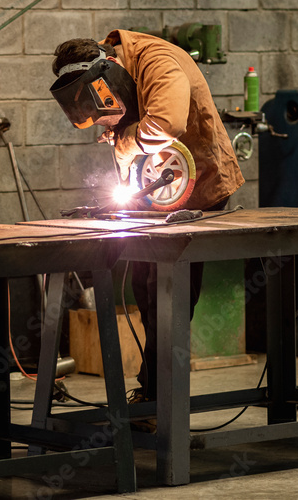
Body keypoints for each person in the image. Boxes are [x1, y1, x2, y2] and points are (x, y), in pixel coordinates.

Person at [50, 29, 245, 404]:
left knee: (169, 298)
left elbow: (168, 123)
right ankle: (153, 393)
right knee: (145, 289)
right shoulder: (111, 75)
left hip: (197, 186)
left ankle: (163, 402)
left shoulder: (157, 61)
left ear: (111, 66)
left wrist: (124, 142)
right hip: (154, 193)